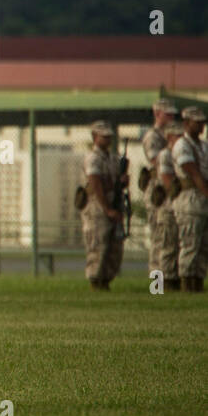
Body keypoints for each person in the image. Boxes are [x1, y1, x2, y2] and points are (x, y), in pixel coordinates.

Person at [80, 120, 125, 291]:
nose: (107, 140)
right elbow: (95, 183)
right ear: (94, 137)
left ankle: (105, 281)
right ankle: (96, 282)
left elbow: (114, 182)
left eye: (109, 137)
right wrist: (107, 209)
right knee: (99, 245)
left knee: (113, 247)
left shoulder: (113, 158)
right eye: (103, 136)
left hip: (113, 203)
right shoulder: (93, 158)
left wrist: (121, 182)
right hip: (97, 208)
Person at [171, 107, 208, 293]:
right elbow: (194, 173)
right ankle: (161, 289)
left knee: (202, 246)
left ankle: (197, 284)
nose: (201, 125)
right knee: (185, 246)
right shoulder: (181, 145)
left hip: (201, 202)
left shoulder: (203, 146)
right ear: (186, 123)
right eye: (197, 121)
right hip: (189, 201)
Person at [141, 99, 178, 283]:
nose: (171, 117)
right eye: (168, 114)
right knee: (158, 239)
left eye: (173, 114)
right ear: (157, 114)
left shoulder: (170, 135)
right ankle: (157, 284)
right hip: (158, 193)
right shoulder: (153, 137)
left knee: (169, 239)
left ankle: (171, 278)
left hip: (169, 192)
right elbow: (156, 160)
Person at [152, 120, 183, 289]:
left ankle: (174, 282)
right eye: (178, 135)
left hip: (177, 207)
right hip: (167, 208)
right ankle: (158, 287)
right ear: (169, 136)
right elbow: (167, 181)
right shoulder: (166, 155)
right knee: (166, 248)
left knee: (176, 247)